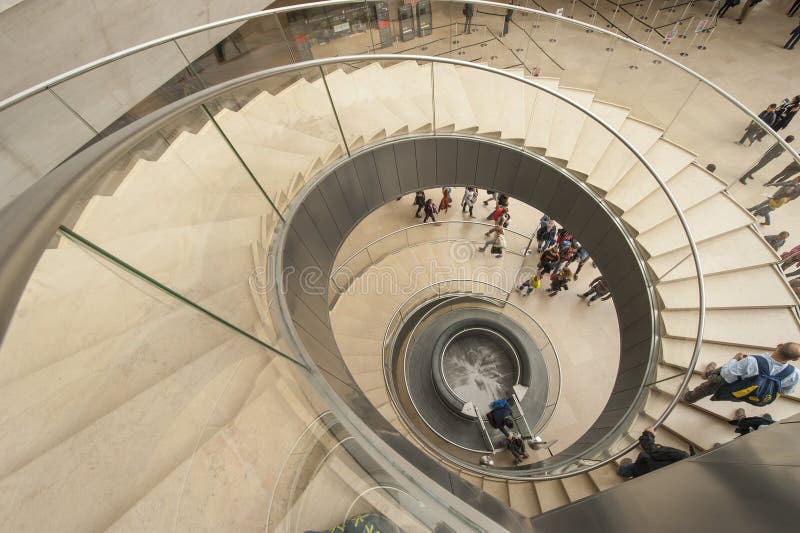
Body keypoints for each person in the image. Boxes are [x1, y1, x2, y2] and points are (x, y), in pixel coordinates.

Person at [683, 343, 800, 405]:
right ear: (794, 359)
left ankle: (688, 397)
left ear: (779, 345)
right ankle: (708, 373)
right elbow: (786, 391)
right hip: (745, 393)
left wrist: (735, 359)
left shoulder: (753, 361)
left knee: (708, 386)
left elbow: (726, 374)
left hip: (728, 384)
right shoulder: (794, 374)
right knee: (732, 369)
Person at [617, 427, 690, 479]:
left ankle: (622, 471)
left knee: (635, 468)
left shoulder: (683, 457)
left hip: (645, 466)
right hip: (649, 480)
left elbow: (654, 451)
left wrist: (648, 433)